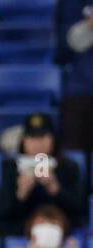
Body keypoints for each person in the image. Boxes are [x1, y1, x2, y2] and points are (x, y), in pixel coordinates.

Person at [0, 113, 86, 238]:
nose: (37, 143)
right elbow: (2, 213)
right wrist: (20, 194)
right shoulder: (11, 167)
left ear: (53, 139)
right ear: (23, 140)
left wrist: (55, 188)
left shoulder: (68, 166)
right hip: (21, 232)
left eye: (43, 137)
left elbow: (80, 210)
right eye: (32, 137)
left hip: (59, 231)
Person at [60, 0, 93, 152]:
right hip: (81, 90)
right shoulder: (73, 3)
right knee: (74, 151)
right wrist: (88, 26)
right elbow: (64, 48)